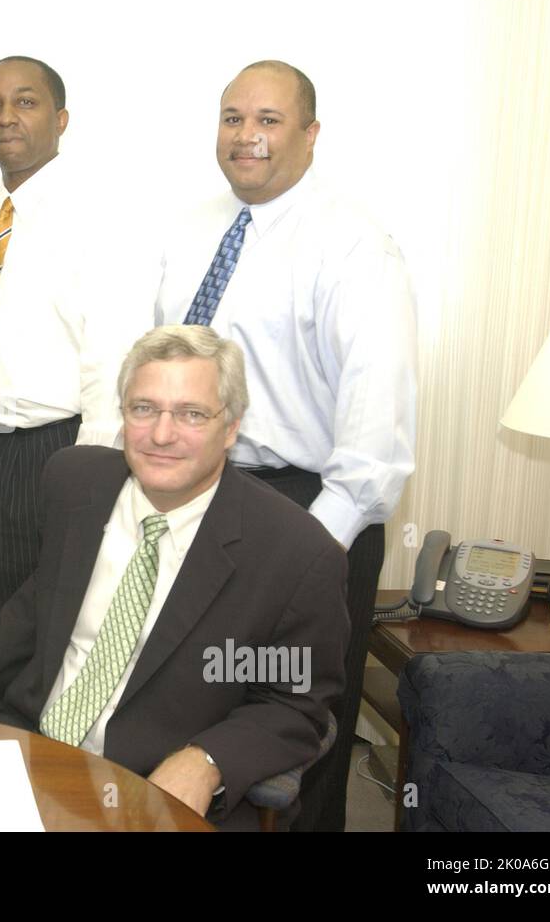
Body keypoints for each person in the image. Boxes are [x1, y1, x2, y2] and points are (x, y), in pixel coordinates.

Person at [0, 326, 348, 829]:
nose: (161, 434)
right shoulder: (76, 481)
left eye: (192, 414)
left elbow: (295, 705)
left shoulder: (295, 553)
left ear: (232, 426)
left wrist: (208, 760)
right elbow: (43, 593)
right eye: (144, 408)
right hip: (33, 751)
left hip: (155, 789)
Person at [154, 60, 417, 830]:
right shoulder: (193, 228)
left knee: (297, 741)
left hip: (311, 513)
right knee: (204, 716)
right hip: (203, 501)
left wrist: (299, 552)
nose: (247, 136)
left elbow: (375, 446)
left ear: (310, 134)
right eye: (233, 118)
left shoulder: (355, 244)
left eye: (268, 120)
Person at [0, 55, 154, 662]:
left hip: (50, 458)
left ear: (61, 118)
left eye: (25, 102)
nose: (6, 117)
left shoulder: (102, 217)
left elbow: (116, 366)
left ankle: (41, 760)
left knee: (42, 649)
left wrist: (89, 487)